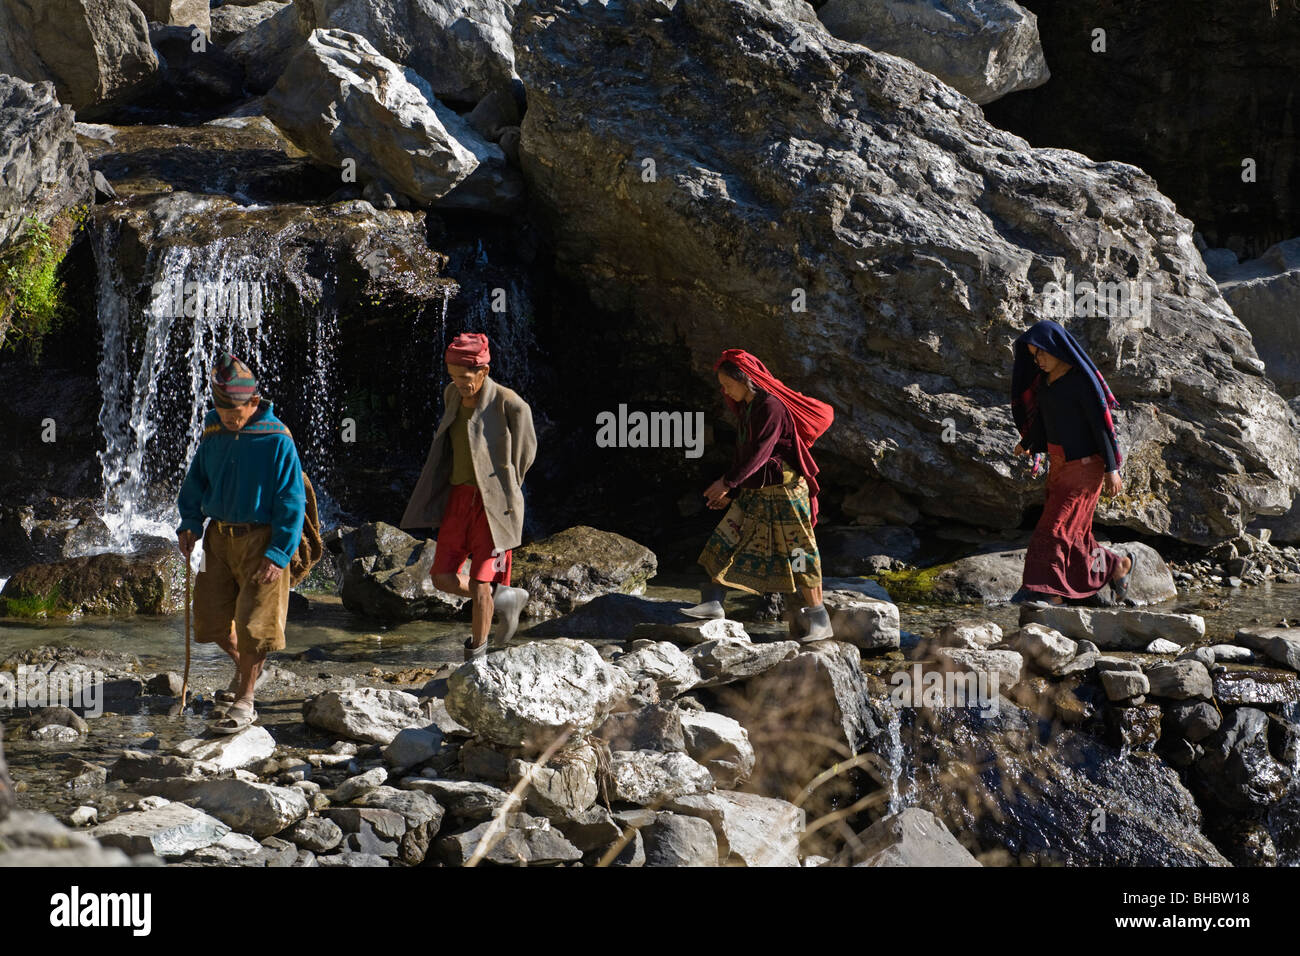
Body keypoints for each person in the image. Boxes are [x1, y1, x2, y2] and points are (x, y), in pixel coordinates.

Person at [176, 353, 306, 734]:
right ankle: (246, 669)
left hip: (262, 540)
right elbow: (196, 480)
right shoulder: (214, 430)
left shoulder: (276, 439)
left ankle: (246, 701)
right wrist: (189, 522)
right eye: (222, 409)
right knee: (212, 621)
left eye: (235, 411)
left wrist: (280, 552)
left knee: (255, 626)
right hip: (218, 538)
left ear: (254, 402)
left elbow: (291, 499)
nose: (229, 417)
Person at [683, 349, 836, 642]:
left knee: (798, 551)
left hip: (786, 491)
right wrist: (731, 487)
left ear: (745, 380)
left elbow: (761, 453)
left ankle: (819, 617)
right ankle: (713, 602)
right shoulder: (749, 409)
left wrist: (729, 482)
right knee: (729, 536)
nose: (723, 389)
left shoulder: (771, 407)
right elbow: (744, 455)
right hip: (758, 489)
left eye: (727, 383)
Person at [401, 333, 536, 660]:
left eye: (464, 377)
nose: (458, 383)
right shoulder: (452, 394)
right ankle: (502, 598)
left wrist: (505, 485)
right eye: (452, 376)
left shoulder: (510, 403)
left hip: (494, 508)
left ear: (484, 372)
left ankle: (477, 655)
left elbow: (526, 451)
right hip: (458, 500)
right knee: (442, 577)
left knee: (479, 586)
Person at [1010, 320, 1134, 605]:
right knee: (1076, 535)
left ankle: (1046, 590)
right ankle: (1116, 567)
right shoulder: (1045, 382)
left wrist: (1112, 469)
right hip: (1059, 465)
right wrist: (1027, 443)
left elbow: (1102, 427)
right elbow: (1043, 421)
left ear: (1056, 349)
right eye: (1032, 355)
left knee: (1054, 528)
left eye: (1040, 353)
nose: (1037, 360)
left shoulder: (1081, 382)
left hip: (1085, 468)